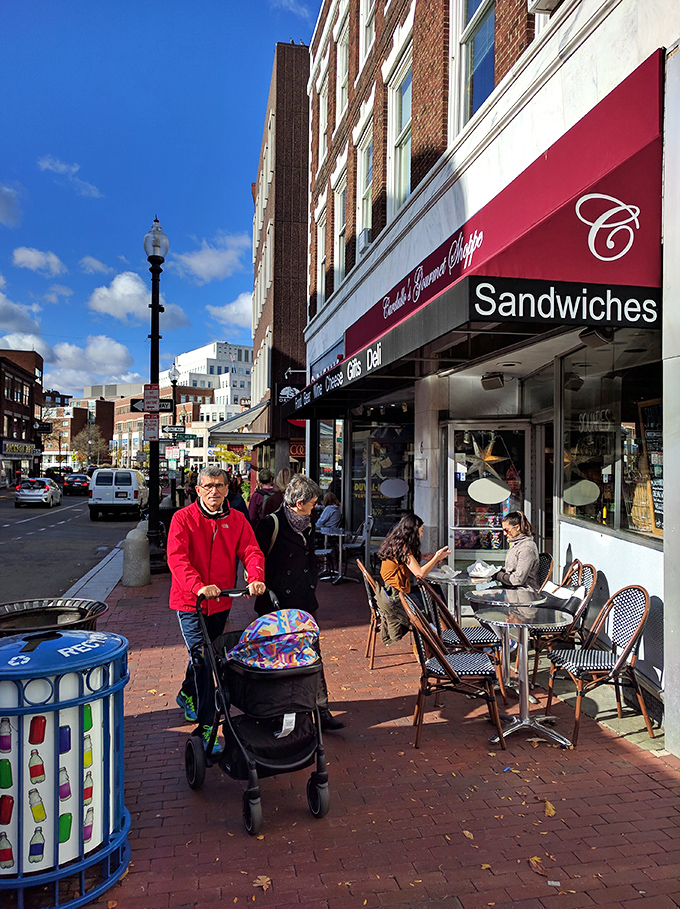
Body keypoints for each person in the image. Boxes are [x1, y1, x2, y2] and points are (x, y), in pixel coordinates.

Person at [167, 466, 266, 754]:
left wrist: (255, 575)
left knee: (208, 651)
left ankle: (187, 692)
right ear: (198, 490)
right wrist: (198, 585)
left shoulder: (236, 520)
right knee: (203, 660)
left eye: (220, 486)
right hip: (191, 602)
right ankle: (207, 723)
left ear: (227, 489)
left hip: (221, 600)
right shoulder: (182, 519)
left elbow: (251, 549)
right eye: (208, 486)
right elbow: (177, 558)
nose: (214, 491)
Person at [254, 474, 345, 731]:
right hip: (277, 604)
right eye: (312, 503)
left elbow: (309, 558)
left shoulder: (307, 523)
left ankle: (321, 708)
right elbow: (256, 560)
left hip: (304, 601)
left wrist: (312, 582)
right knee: (279, 659)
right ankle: (277, 710)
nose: (315, 508)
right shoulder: (272, 524)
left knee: (312, 655)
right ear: (298, 502)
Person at [377, 513, 450, 644]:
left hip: (390, 591)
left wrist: (423, 556)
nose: (421, 535)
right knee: (434, 598)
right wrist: (436, 557)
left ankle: (442, 631)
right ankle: (441, 634)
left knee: (435, 590)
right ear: (412, 531)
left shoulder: (397, 544)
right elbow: (420, 574)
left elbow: (403, 560)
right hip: (396, 597)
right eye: (420, 531)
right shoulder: (403, 548)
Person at [494, 511, 540, 591]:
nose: (504, 533)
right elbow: (511, 568)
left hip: (524, 591)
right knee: (481, 595)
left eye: (507, 530)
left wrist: (498, 576)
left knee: (485, 598)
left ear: (517, 527)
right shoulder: (515, 544)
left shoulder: (527, 547)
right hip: (511, 588)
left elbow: (518, 579)